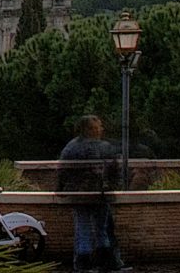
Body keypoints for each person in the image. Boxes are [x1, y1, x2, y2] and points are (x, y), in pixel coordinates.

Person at [56, 115, 120, 273]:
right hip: (100, 194)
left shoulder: (71, 147)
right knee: (101, 228)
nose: (101, 130)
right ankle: (104, 262)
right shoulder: (105, 147)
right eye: (97, 127)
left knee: (83, 226)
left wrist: (61, 189)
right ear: (89, 129)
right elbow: (114, 169)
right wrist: (113, 186)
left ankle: (83, 263)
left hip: (80, 194)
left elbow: (62, 170)